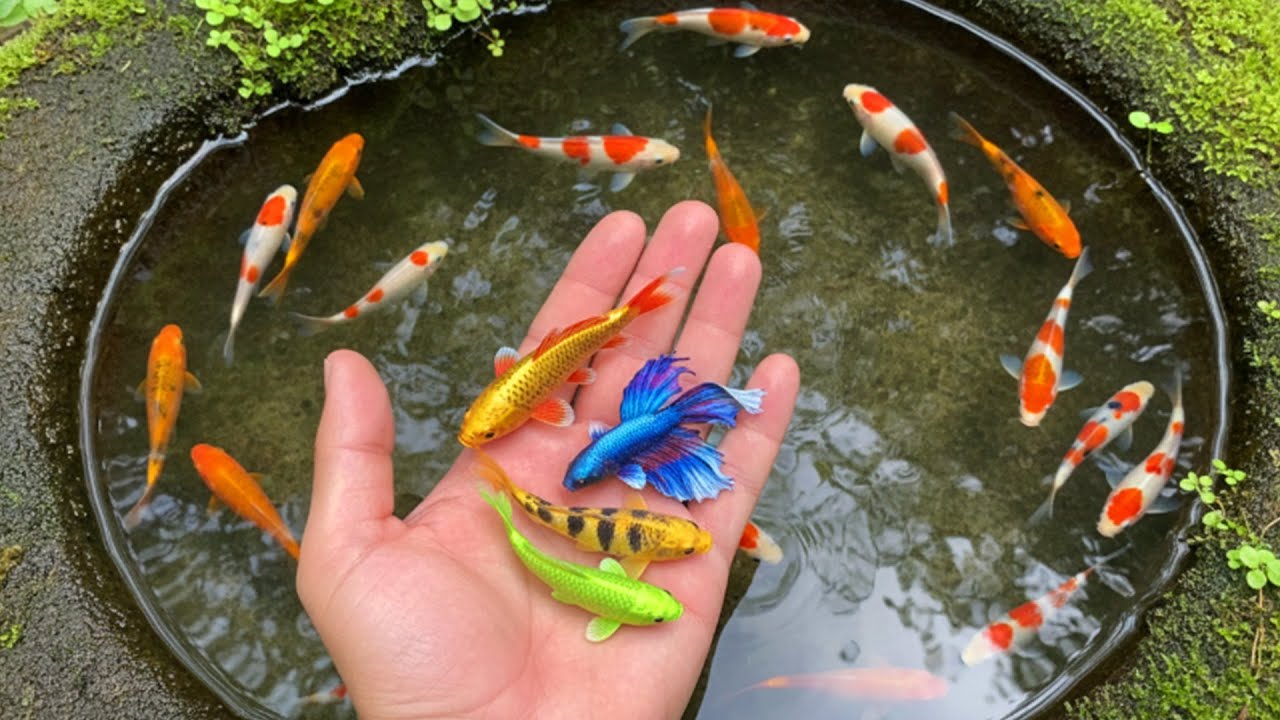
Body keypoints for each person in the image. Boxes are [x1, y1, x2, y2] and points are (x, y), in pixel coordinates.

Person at [297, 201, 800, 719]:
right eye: (483, 429)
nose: (477, 439)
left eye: (486, 432)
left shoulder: (611, 483)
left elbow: (618, 529)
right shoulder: (614, 500)